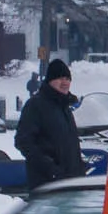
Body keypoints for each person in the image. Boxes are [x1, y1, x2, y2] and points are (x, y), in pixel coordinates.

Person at [15, 58, 85, 189]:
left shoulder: (65, 107)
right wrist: (50, 168)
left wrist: (80, 170)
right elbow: (23, 142)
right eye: (60, 78)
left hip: (69, 184)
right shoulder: (36, 105)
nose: (65, 82)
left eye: (67, 78)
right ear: (50, 81)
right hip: (47, 186)